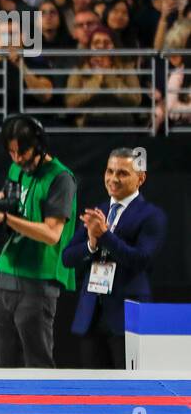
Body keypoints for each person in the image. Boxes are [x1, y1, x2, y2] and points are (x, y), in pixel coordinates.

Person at [0, 115, 78, 368]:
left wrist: (7, 219)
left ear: (39, 145)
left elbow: (51, 233)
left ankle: (42, 408)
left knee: (37, 362)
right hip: (7, 273)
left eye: (22, 151)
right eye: (11, 152)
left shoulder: (61, 178)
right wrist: (0, 201)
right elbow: (16, 202)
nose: (17, 158)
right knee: (3, 362)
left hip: (38, 279)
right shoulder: (16, 169)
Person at [62, 149, 168, 368]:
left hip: (128, 319)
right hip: (91, 317)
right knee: (93, 394)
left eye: (122, 173)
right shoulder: (98, 211)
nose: (113, 179)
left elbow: (140, 259)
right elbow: (67, 258)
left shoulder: (152, 215)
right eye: (109, 171)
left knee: (129, 392)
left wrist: (105, 236)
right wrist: (91, 244)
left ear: (141, 178)